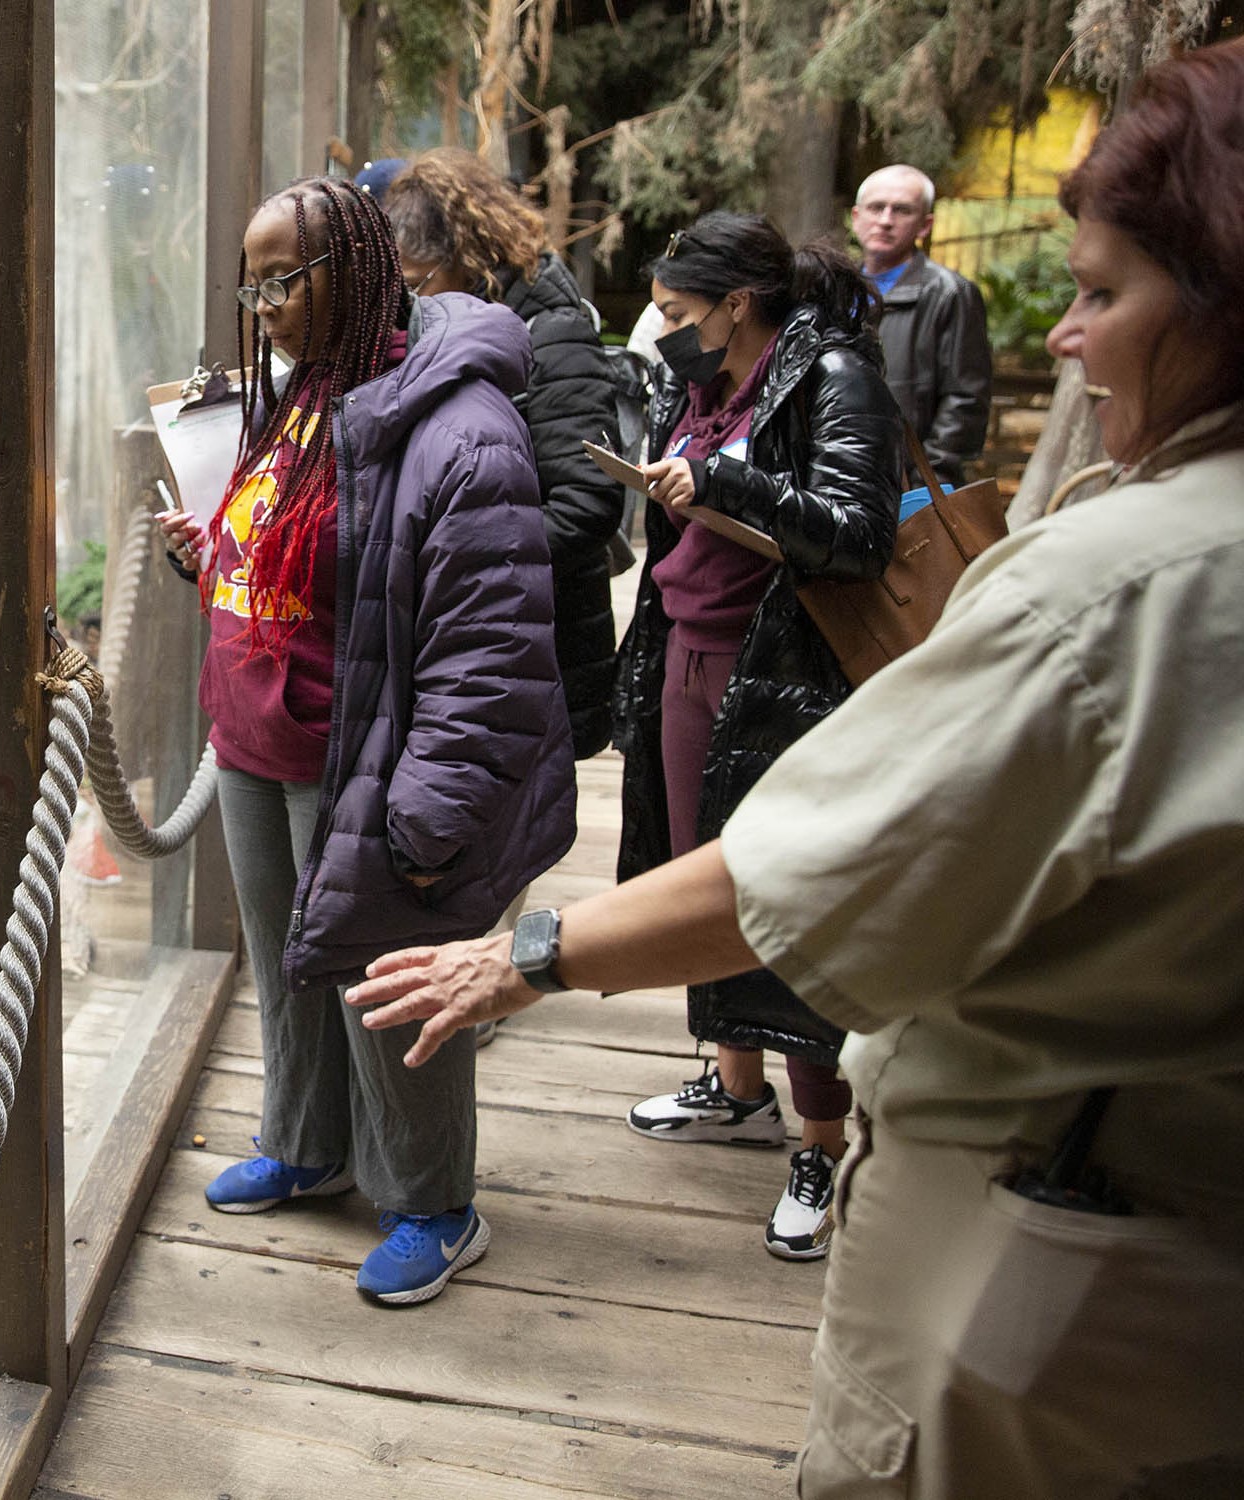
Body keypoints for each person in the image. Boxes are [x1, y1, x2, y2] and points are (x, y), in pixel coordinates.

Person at [346, 39, 1244, 1498]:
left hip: (1054, 1259)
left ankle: (802, 1137)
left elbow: (818, 871)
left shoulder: (1111, 587)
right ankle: (735, 1081)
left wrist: (525, 957)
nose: (1068, 341)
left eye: (1099, 293)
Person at [154, 175, 575, 1306]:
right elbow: (295, 551)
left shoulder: (460, 428)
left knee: (384, 984)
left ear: (361, 269)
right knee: (291, 973)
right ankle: (307, 1148)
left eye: (285, 277)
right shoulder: (296, 396)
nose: (265, 303)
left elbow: (489, 655)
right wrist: (215, 557)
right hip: (256, 736)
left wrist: (430, 818)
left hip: (363, 755)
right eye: (251, 282)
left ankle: (436, 1202)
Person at [608, 211, 899, 1260]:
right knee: (699, 877)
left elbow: (859, 536)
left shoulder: (833, 374)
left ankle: (822, 1141)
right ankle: (736, 1085)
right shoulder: (700, 375)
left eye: (680, 315)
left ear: (739, 304)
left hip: (784, 680)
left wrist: (726, 482)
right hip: (687, 655)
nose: (666, 332)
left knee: (787, 903)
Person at [382, 147, 629, 761]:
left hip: (537, 649)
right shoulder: (446, 329)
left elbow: (589, 503)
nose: (405, 301)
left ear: (463, 257)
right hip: (473, 646)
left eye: (415, 283)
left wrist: (455, 557)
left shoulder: (551, 331)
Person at [852, 164, 993, 486]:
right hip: (841, 474)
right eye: (876, 208)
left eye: (901, 210)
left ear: (925, 224)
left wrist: (929, 481)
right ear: (857, 216)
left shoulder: (949, 293)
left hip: (908, 481)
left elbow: (966, 399)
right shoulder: (837, 288)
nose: (885, 221)